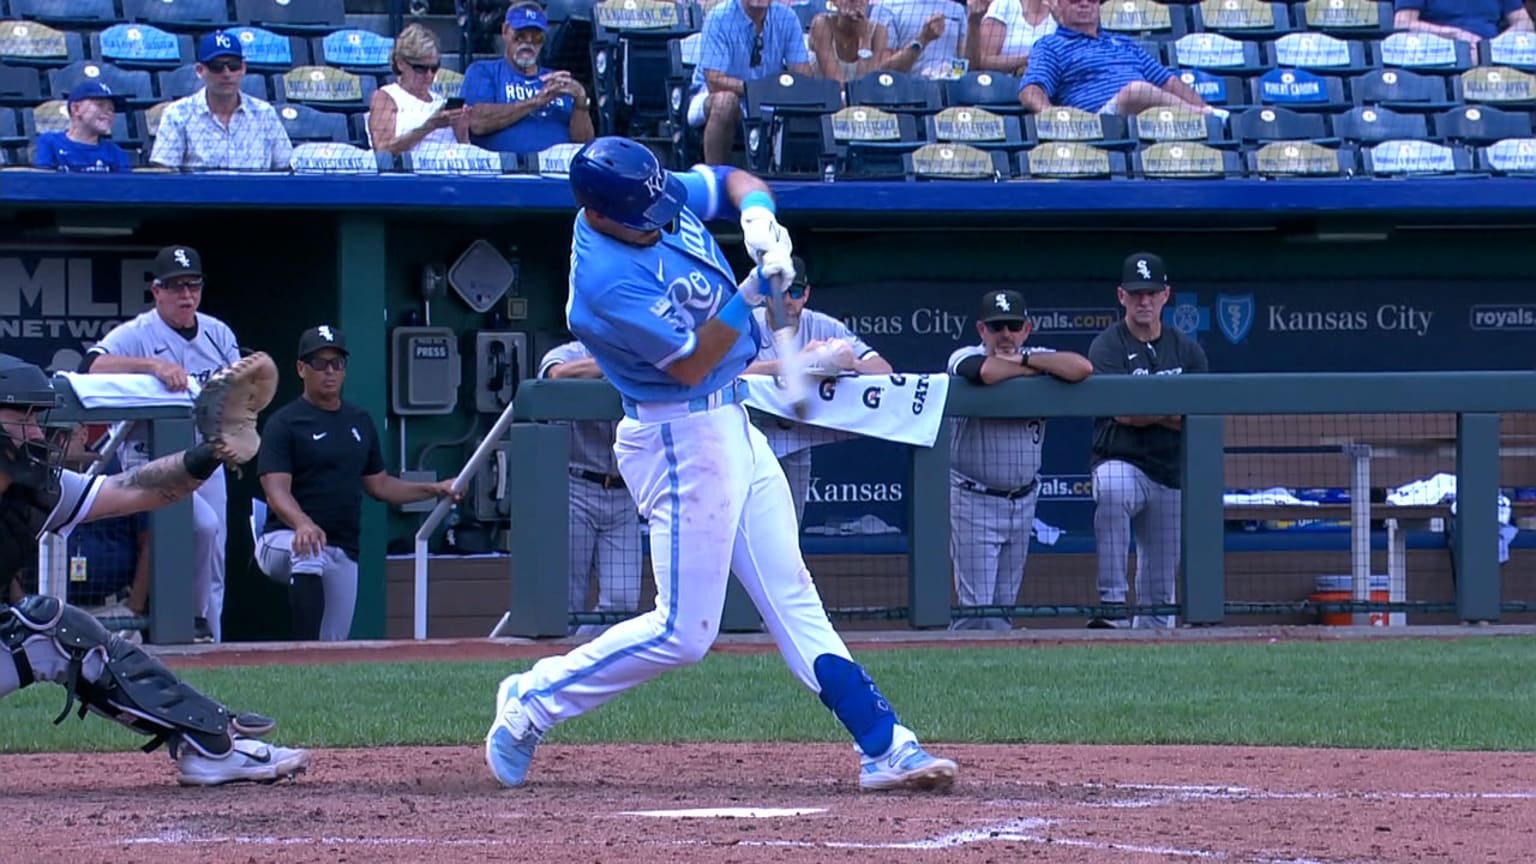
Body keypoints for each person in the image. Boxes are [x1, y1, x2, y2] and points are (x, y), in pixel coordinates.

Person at [485, 137, 957, 792]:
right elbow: (690, 362)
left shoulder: (645, 192)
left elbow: (733, 178)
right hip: (679, 437)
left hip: (731, 417)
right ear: (603, 212)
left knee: (791, 591)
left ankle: (884, 744)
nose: (660, 217)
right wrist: (755, 288)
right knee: (684, 633)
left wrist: (760, 217)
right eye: (644, 215)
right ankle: (531, 701)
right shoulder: (600, 284)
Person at [0, 352, 310, 786]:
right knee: (40, 624)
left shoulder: (28, 491)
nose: (37, 432)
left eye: (37, 417)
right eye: (23, 418)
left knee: (50, 629)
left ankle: (210, 743)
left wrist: (210, 452)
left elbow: (132, 490)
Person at [256, 326, 459, 641]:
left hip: (342, 547)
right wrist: (303, 524)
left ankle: (316, 673)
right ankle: (299, 656)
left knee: (335, 644)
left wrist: (435, 489)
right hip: (282, 539)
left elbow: (379, 485)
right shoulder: (284, 422)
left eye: (336, 363)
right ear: (301, 369)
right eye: (319, 363)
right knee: (309, 550)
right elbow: (275, 490)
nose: (329, 371)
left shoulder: (359, 421)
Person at [81, 245, 238, 643]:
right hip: (150, 454)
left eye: (193, 286)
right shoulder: (138, 332)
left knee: (215, 551)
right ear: (157, 291)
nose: (186, 295)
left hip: (207, 450)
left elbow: (239, 387)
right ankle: (190, 621)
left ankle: (209, 639)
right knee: (201, 527)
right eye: (176, 287)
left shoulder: (218, 334)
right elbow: (90, 366)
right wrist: (151, 366)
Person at [946, 290, 1091, 631]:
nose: (1006, 335)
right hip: (973, 498)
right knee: (977, 611)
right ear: (982, 330)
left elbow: (1082, 368)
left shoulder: (1036, 356)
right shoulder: (964, 354)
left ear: (1027, 328)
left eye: (1013, 326)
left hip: (1023, 499)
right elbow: (981, 372)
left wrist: (1023, 362)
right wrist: (1029, 368)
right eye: (997, 327)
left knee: (1002, 606)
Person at [1086, 253, 1209, 629]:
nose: (1144, 301)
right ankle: (1113, 606)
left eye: (1151, 293)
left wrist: (1150, 409)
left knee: (1159, 595)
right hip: (1121, 460)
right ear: (1121, 296)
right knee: (1110, 488)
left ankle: (1153, 647)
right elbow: (1123, 413)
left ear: (1165, 295)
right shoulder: (1107, 345)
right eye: (1136, 293)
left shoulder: (1186, 349)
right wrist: (1172, 410)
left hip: (1170, 472)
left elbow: (1199, 416)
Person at [745, 256, 893, 526]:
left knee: (789, 532)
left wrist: (852, 363)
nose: (787, 300)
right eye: (779, 292)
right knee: (749, 531)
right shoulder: (748, 323)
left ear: (807, 294)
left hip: (796, 443)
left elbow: (884, 370)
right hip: (750, 442)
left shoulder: (822, 325)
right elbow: (728, 373)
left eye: (796, 292)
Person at [539, 340, 642, 637]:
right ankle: (562, 665)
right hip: (578, 487)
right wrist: (613, 361)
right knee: (567, 601)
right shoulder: (569, 352)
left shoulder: (642, 348)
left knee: (622, 601)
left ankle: (582, 656)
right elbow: (554, 375)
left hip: (625, 494)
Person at [1017, 0, 1221, 117]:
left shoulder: (1124, 43)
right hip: (1099, 121)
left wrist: (1205, 108)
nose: (1084, 4)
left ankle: (1205, 114)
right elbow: (1030, 90)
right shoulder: (1051, 45)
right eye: (1074, 0)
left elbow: (1168, 82)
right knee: (1136, 90)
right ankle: (1202, 115)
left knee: (1147, 89)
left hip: (1151, 119)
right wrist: (1052, 116)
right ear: (1059, 5)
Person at [689, 0, 813, 164]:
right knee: (725, 103)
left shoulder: (787, 17)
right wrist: (757, 90)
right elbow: (714, 81)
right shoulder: (719, 18)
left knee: (812, 103)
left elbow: (803, 77)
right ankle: (714, 178)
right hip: (711, 94)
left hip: (767, 100)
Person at [462, 3, 594, 157]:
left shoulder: (558, 81)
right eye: (520, 35)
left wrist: (580, 101)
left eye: (536, 37)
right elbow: (476, 123)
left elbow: (584, 146)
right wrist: (536, 101)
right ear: (505, 31)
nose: (528, 42)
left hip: (557, 173)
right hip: (504, 173)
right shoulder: (483, 71)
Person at [149, 30, 293, 172]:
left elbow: (285, 168)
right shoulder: (178, 114)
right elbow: (164, 172)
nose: (226, 74)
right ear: (200, 70)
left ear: (243, 68)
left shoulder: (264, 114)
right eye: (216, 67)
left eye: (233, 65)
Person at [367, 23, 469, 155]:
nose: (429, 76)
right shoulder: (386, 97)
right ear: (401, 63)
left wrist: (462, 131)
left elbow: (464, 150)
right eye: (420, 68)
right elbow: (383, 150)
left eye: (434, 68)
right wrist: (430, 126)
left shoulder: (441, 102)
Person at [32, 81, 133, 173]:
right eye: (100, 105)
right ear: (76, 109)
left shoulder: (116, 153)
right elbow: (43, 183)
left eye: (111, 109)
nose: (108, 113)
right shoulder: (49, 143)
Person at [809, 0, 893, 82]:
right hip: (823, 93)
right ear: (835, 2)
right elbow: (834, 83)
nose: (856, 2)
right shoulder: (821, 24)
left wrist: (865, 40)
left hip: (857, 94)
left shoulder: (879, 32)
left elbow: (866, 84)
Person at [977, 0, 1057, 74]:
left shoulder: (1062, 10)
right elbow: (982, 60)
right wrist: (1027, 59)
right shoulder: (1004, 4)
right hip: (1002, 83)